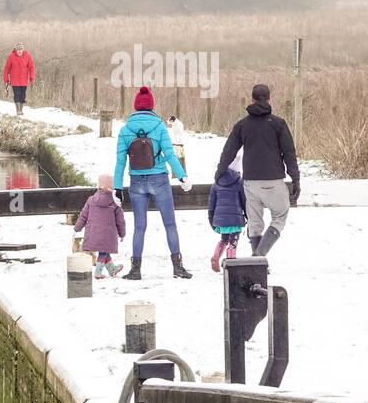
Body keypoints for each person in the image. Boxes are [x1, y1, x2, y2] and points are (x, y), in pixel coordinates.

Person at [113, 86, 193, 280]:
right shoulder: (159, 127)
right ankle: (178, 267)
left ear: (135, 107)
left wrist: (117, 187)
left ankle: (135, 270)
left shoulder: (125, 130)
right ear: (151, 106)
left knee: (139, 227)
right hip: (159, 180)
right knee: (170, 224)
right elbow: (170, 155)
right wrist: (182, 176)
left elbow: (120, 161)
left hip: (136, 181)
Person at [214, 83, 299, 256]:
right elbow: (289, 153)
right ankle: (259, 256)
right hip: (273, 180)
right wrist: (295, 178)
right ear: (269, 99)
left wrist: (220, 171)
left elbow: (229, 150)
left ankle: (256, 261)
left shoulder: (242, 125)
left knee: (255, 223)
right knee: (279, 216)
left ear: (252, 100)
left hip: (250, 182)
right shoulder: (278, 124)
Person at [75, 173, 126, 278]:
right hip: (108, 234)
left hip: (93, 232)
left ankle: (112, 269)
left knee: (104, 250)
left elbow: (83, 216)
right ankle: (98, 272)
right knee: (103, 251)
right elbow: (120, 221)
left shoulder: (91, 200)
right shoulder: (115, 203)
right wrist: (122, 233)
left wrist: (77, 228)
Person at [208, 158, 247, 273]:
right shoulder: (239, 182)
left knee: (224, 239)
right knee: (233, 242)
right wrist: (247, 215)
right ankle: (231, 266)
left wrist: (211, 217)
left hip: (221, 219)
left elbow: (211, 203)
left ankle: (216, 257)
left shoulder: (216, 183)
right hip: (235, 219)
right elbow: (243, 200)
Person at [2, 42, 35, 116]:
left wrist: (32, 77)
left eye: (21, 49)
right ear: (16, 50)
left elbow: (31, 67)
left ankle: (21, 110)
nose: (20, 51)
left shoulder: (27, 56)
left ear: (23, 50)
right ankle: (18, 110)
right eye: (18, 50)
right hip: (14, 81)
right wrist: (6, 79)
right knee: (17, 94)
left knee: (23, 95)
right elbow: (6, 69)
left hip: (24, 81)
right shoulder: (11, 56)